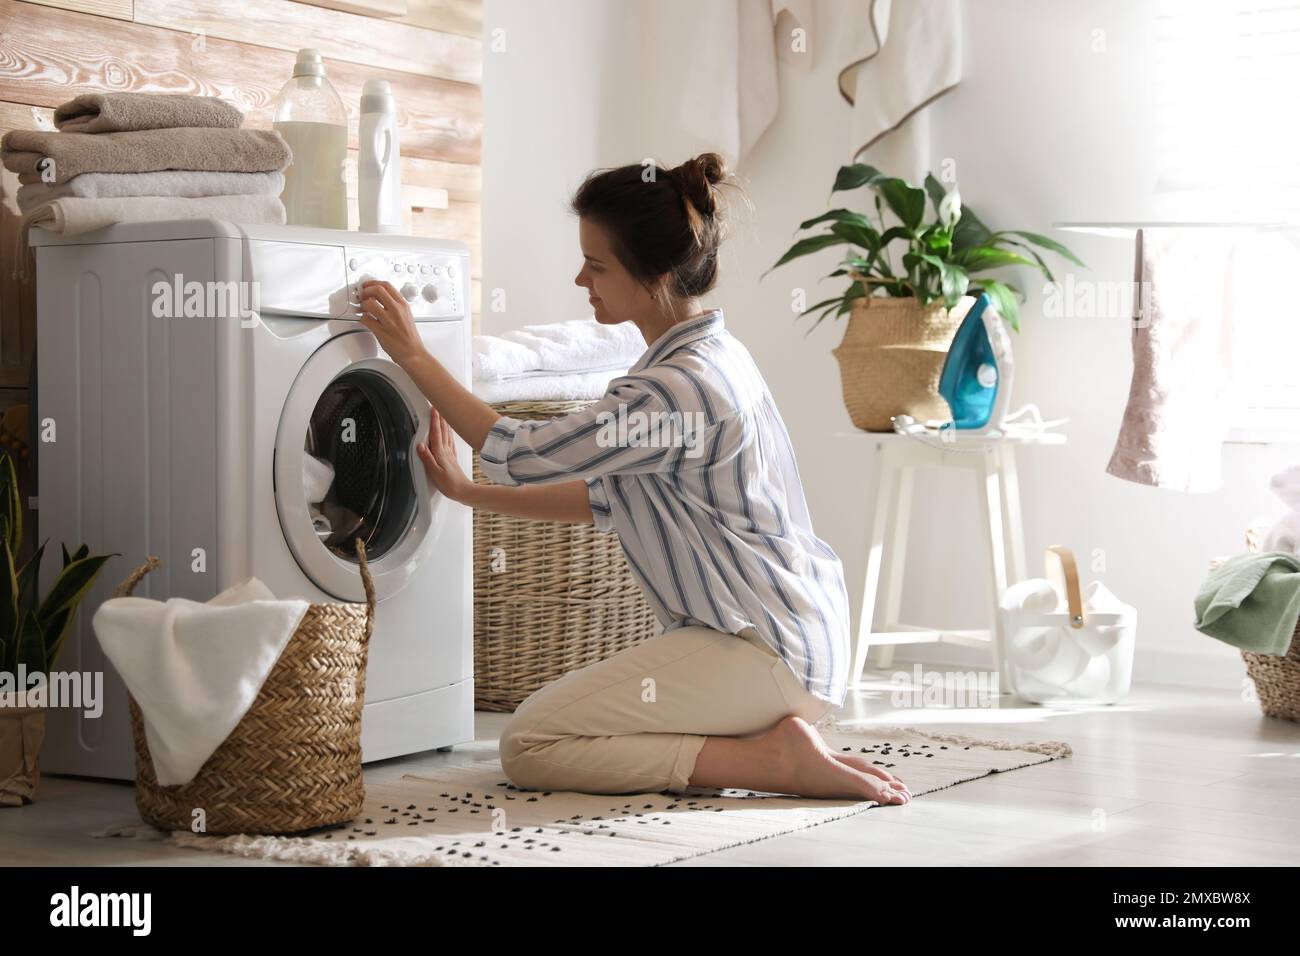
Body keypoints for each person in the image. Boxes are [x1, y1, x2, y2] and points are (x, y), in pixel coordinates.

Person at [355, 152, 910, 804]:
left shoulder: (675, 389)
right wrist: (471, 491)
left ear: (656, 276)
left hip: (764, 656)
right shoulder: (713, 356)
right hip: (794, 643)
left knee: (529, 744)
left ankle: (772, 761)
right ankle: (768, 741)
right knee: (553, 730)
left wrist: (413, 353)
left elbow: (521, 449)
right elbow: (608, 500)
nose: (580, 278)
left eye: (597, 264)